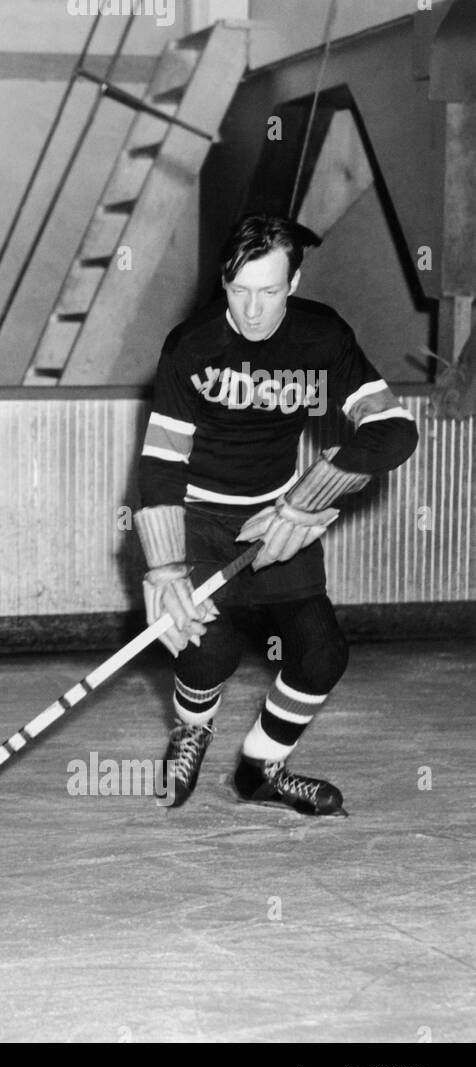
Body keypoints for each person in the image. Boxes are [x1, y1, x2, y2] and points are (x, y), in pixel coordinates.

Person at [133, 214, 418, 813]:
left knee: (321, 654)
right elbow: (161, 463)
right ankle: (192, 728)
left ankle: (261, 769)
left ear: (293, 283)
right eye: (239, 291)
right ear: (223, 281)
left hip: (278, 517)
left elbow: (393, 432)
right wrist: (164, 569)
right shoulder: (193, 345)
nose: (253, 310)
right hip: (200, 516)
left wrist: (305, 499)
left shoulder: (323, 337)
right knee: (211, 648)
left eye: (268, 291)